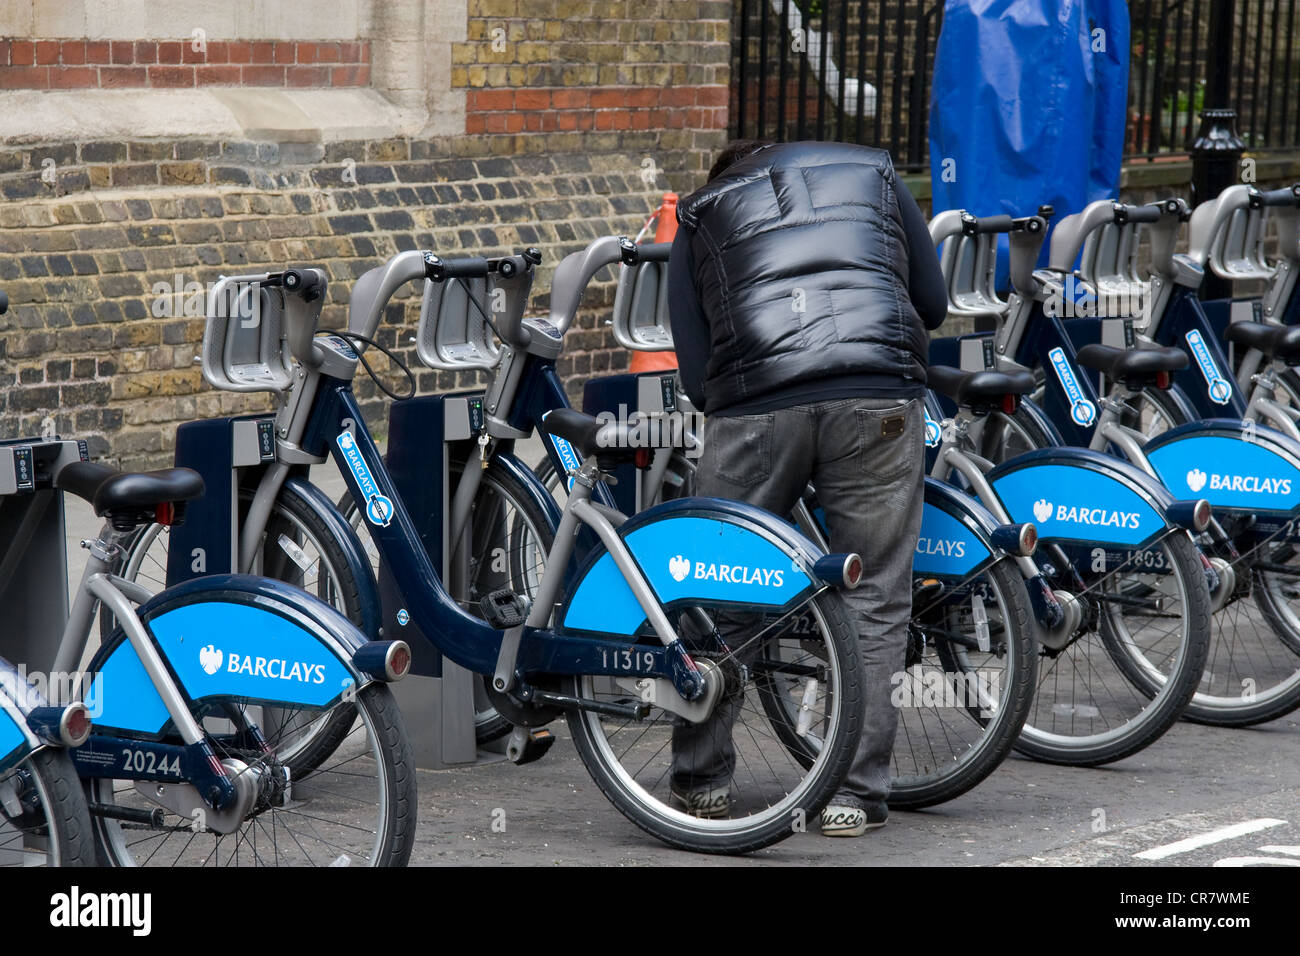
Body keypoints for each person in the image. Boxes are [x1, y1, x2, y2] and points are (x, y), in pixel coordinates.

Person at [666, 139, 948, 836]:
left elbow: (694, 366)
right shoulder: (878, 170)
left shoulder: (701, 213)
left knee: (718, 584)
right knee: (876, 592)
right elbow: (935, 304)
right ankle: (855, 794)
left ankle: (703, 783)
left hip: (756, 404)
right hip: (877, 393)